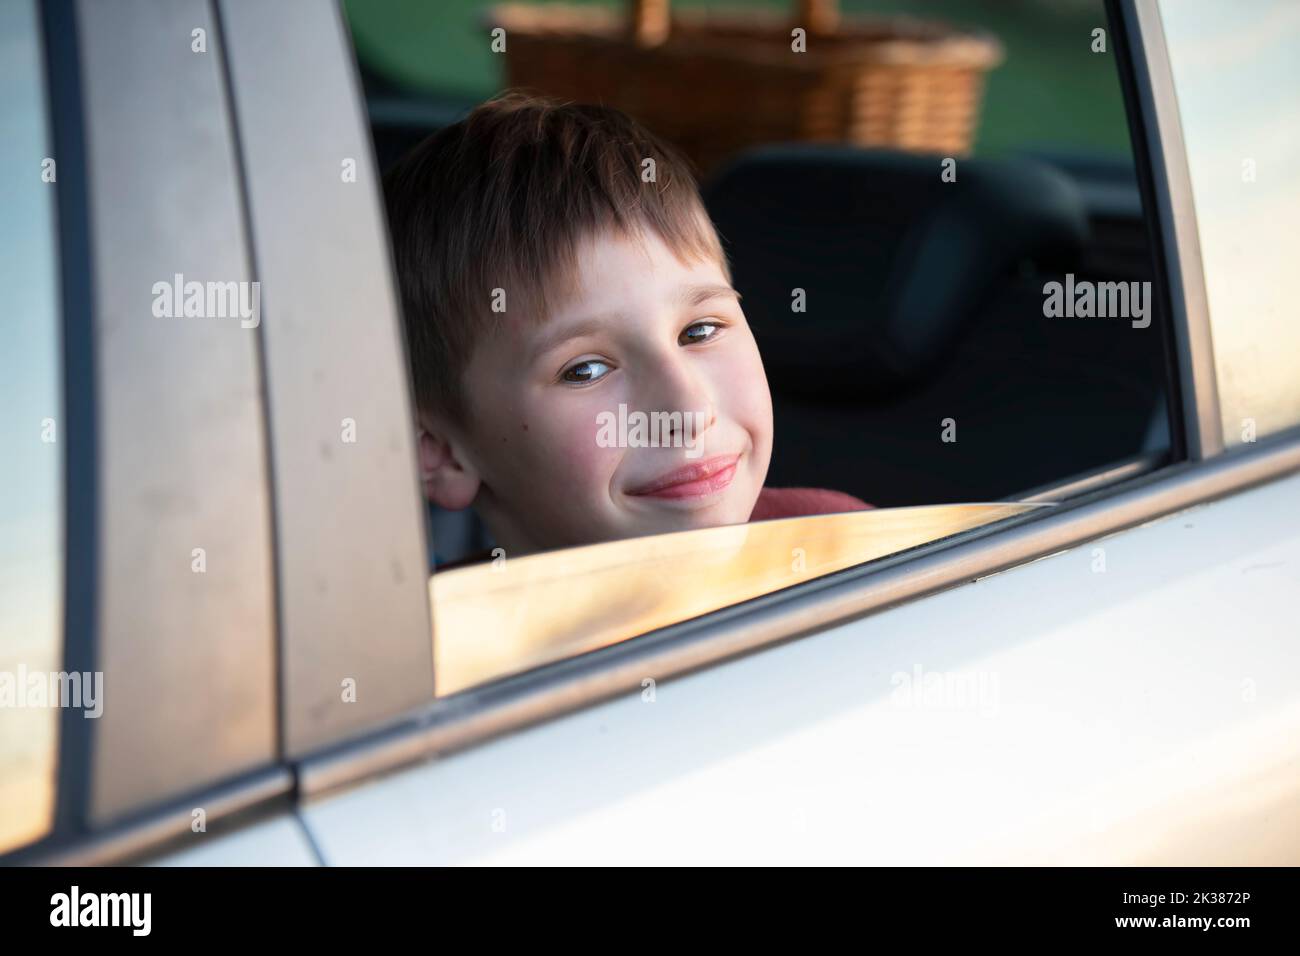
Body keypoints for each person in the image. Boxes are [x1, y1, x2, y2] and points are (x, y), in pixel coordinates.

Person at [384, 91, 868, 561]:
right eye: (586, 370)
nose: (688, 411)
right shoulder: (439, 639)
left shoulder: (853, 552)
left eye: (699, 331)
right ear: (442, 454)